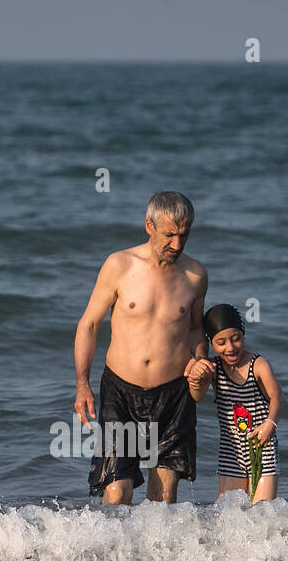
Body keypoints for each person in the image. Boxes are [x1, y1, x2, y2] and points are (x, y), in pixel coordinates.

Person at [74, 190, 209, 503]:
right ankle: (112, 554)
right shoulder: (119, 265)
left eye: (184, 236)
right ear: (149, 226)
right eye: (170, 235)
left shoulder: (196, 276)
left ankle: (154, 555)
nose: (177, 244)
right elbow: (88, 324)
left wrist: (200, 361)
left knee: (163, 496)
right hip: (121, 391)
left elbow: (195, 330)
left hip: (175, 394)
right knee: (117, 488)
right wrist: (82, 385)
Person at [187, 304, 283, 504]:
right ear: (210, 342)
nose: (230, 347)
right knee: (228, 513)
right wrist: (196, 379)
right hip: (230, 450)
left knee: (262, 511)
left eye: (236, 338)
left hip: (262, 447)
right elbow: (197, 396)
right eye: (221, 342)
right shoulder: (213, 369)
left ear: (243, 335)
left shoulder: (258, 365)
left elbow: (277, 396)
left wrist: (270, 424)